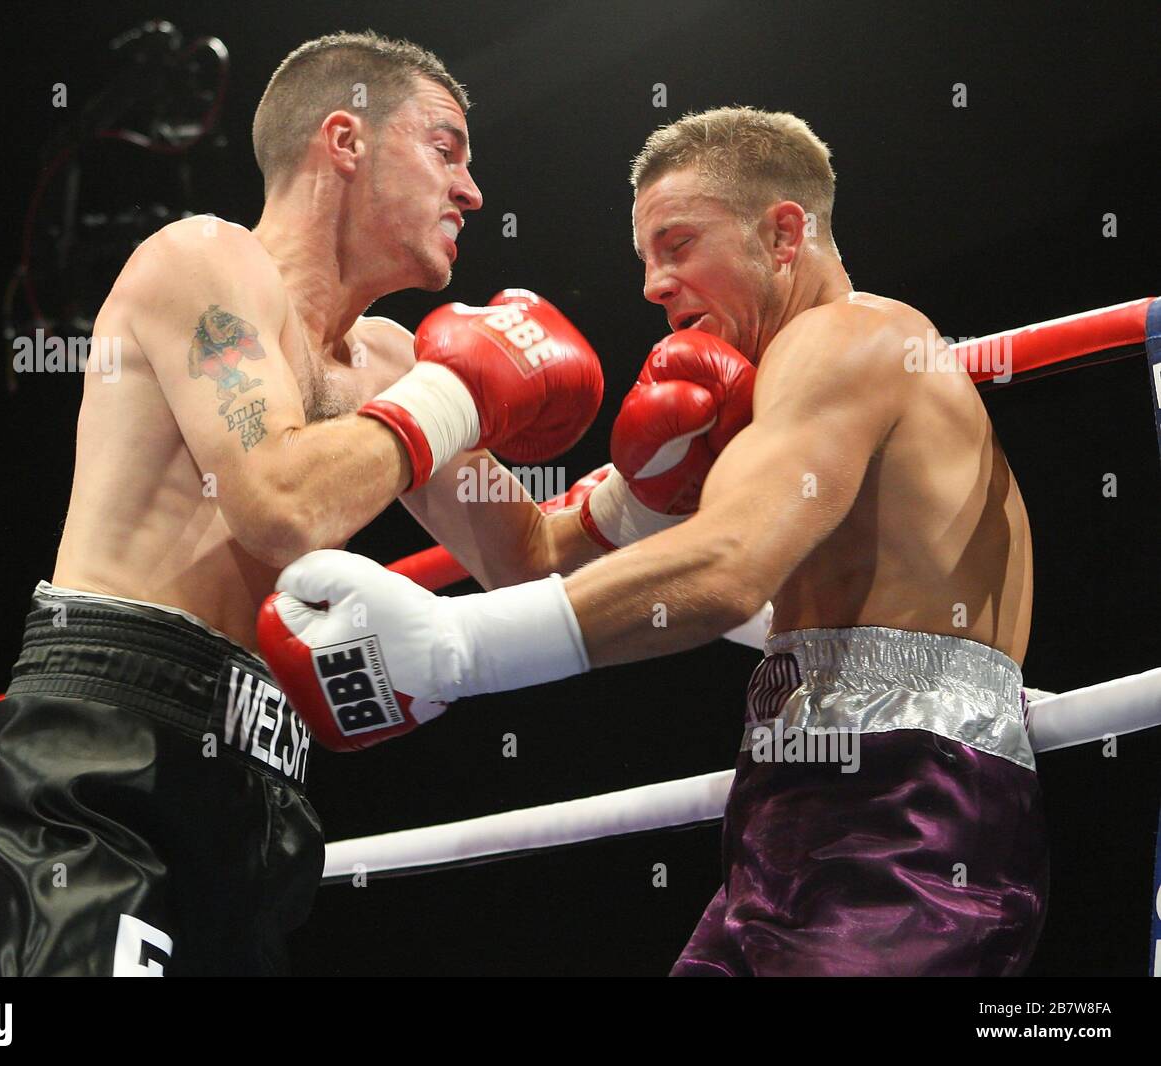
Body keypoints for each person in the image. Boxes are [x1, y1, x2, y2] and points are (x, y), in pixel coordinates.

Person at [262, 106, 1050, 976]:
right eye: (645, 259)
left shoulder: (853, 340)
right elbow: (536, 554)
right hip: (794, 813)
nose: (651, 285)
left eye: (676, 245)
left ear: (783, 235)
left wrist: (457, 649)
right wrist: (433, 397)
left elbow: (724, 571)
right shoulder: (744, 414)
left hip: (909, 818)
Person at [0, 29, 669, 976]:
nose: (472, 191)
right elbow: (277, 502)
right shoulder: (203, 261)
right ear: (345, 140)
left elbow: (522, 556)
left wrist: (653, 483)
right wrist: (451, 399)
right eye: (445, 148)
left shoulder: (394, 363)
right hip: (102, 753)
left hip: (260, 784)